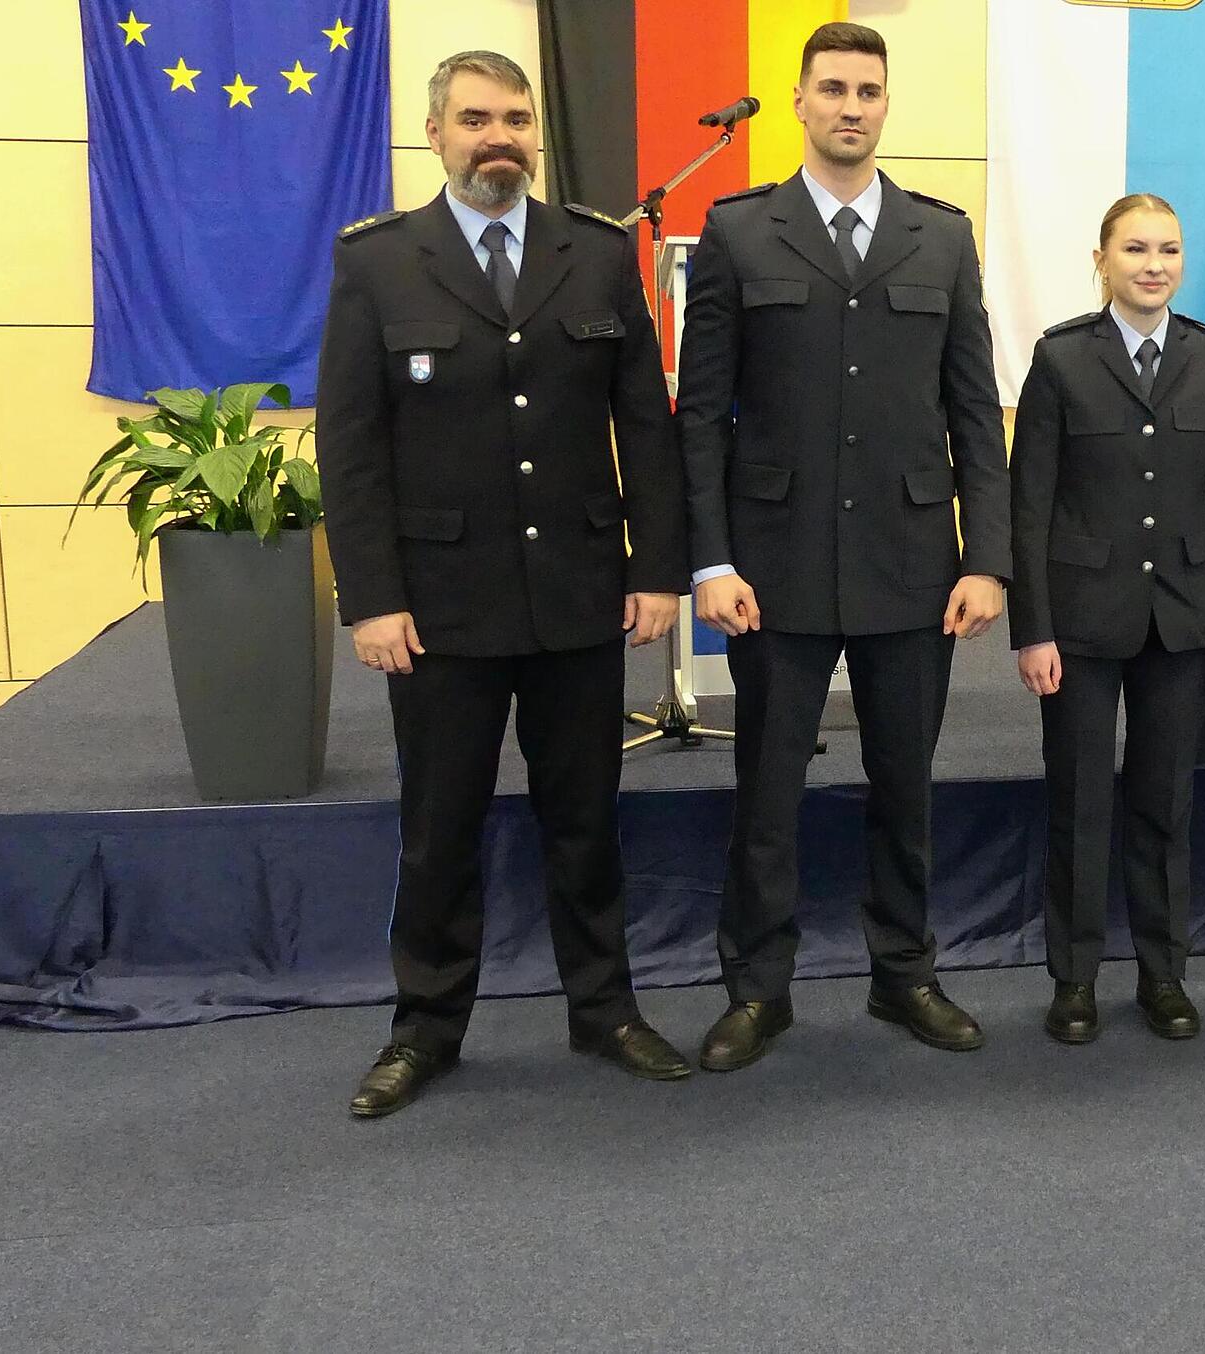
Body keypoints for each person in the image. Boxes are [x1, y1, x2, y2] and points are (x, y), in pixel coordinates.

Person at [317, 51, 691, 1117]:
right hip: (440, 606)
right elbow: (351, 445)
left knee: (586, 821)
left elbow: (644, 423)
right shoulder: (380, 262)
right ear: (435, 133)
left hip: (578, 592)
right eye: (477, 118)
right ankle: (425, 1028)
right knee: (441, 829)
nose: (501, 137)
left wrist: (656, 568)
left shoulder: (596, 253)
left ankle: (605, 1010)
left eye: (517, 119)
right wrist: (371, 597)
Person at [676, 22, 1012, 1070]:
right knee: (766, 795)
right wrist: (710, 560)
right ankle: (757, 989)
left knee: (905, 787)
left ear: (885, 104)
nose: (851, 107)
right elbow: (701, 414)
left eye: (867, 90)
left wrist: (986, 557)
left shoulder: (940, 237)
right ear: (799, 101)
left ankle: (904, 974)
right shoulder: (740, 232)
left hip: (912, 564)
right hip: (771, 568)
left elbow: (973, 410)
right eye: (832, 88)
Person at [1009, 194, 1205, 1045]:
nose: (1154, 266)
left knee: (1166, 803)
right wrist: (1033, 628)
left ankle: (1163, 973)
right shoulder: (1062, 357)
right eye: (1136, 249)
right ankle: (1075, 978)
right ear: (1103, 260)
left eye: (1168, 250)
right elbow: (1030, 501)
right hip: (1081, 621)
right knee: (1080, 803)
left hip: (1184, 620)